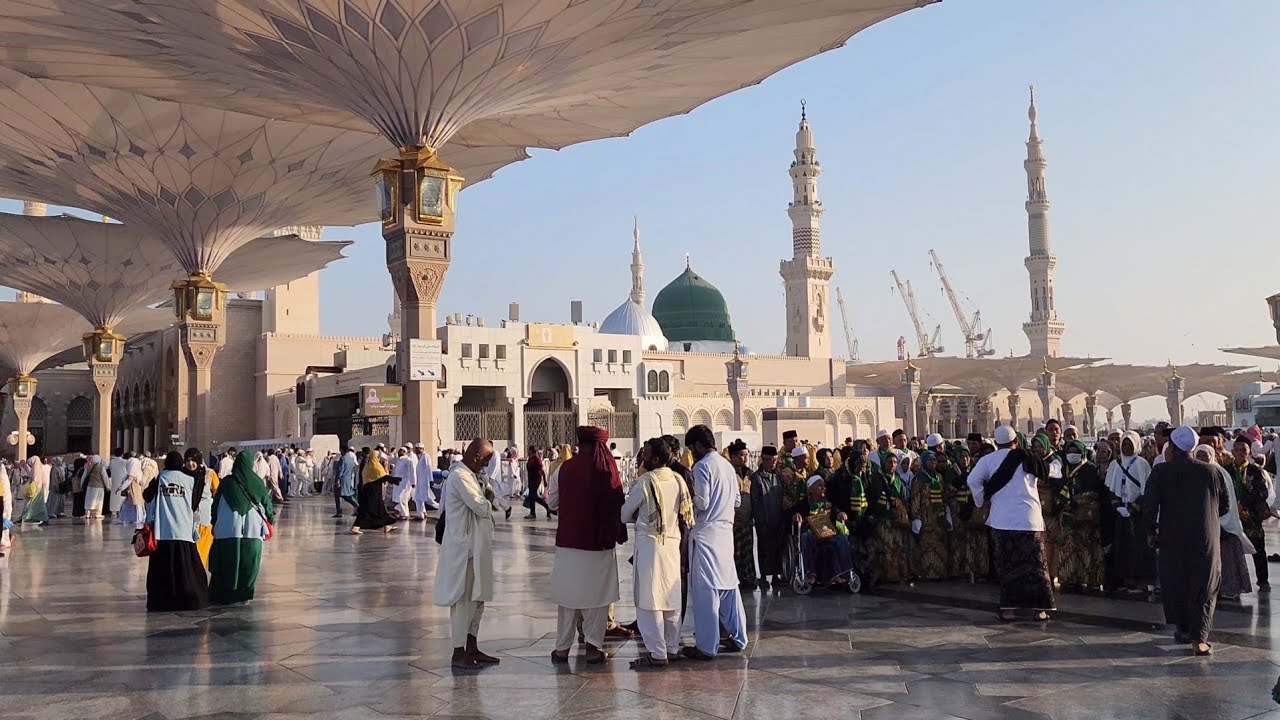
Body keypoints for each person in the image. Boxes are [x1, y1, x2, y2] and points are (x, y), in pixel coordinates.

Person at [1144, 426, 1227, 656]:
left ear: (1173, 447)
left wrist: (1151, 532)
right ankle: (1198, 638)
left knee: (1177, 583)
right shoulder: (1212, 471)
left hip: (1173, 538)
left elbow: (1149, 505)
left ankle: (1183, 629)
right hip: (1205, 538)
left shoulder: (1161, 472)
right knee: (1204, 585)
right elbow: (1225, 505)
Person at [548, 427, 626, 664]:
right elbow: (617, 506)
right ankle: (593, 646)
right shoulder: (606, 471)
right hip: (598, 544)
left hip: (569, 543)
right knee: (598, 598)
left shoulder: (562, 469)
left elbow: (552, 503)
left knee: (568, 597)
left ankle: (562, 649)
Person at [968, 425, 1055, 622]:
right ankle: (1039, 610)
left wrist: (981, 499)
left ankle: (1009, 610)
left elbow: (972, 480)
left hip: (1002, 520)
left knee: (1008, 568)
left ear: (996, 443)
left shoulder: (987, 460)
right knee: (1037, 567)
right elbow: (1052, 471)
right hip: (1029, 520)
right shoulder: (1028, 457)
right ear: (1016, 440)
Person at [622, 437, 693, 669]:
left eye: (646, 453)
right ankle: (672, 648)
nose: (642, 457)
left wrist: (640, 517)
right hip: (673, 544)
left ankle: (657, 652)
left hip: (651, 545)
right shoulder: (678, 479)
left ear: (654, 459)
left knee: (649, 599)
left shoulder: (646, 482)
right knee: (672, 599)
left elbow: (624, 514)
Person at [432, 438, 501, 670]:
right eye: (486, 461)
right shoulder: (460, 476)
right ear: (476, 457)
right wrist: (488, 498)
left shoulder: (472, 475)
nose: (486, 466)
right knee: (463, 602)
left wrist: (488, 494)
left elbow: (490, 498)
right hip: (465, 551)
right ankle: (458, 652)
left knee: (477, 600)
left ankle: (472, 646)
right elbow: (481, 506)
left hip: (476, 548)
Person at [681, 424, 748, 660]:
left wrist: (688, 491)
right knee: (729, 587)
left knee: (706, 591)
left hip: (707, 534)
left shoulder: (702, 467)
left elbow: (703, 503)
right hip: (725, 533)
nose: (691, 453)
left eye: (691, 448)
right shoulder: (728, 466)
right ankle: (739, 637)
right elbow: (738, 501)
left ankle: (706, 646)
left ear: (699, 445)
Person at [142, 451, 210, 611]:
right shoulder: (189, 480)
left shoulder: (161, 478)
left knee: (163, 570)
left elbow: (146, 495)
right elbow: (194, 504)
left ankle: (162, 601)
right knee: (187, 569)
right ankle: (190, 599)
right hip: (183, 530)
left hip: (163, 530)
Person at [208, 450, 275, 606]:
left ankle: (226, 593)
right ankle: (244, 594)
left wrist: (214, 521)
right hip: (252, 530)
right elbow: (267, 504)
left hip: (227, 529)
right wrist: (270, 518)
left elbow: (216, 504)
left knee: (227, 560)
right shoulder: (257, 482)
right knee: (249, 562)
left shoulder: (226, 482)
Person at [1195, 444, 1254, 600]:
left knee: (1226, 559)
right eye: (1198, 456)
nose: (1201, 459)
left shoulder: (1219, 472)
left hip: (1222, 523)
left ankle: (1228, 588)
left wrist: (1219, 521)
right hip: (1204, 523)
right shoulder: (1194, 473)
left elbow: (1227, 501)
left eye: (1204, 456)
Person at [1106, 431, 1155, 594]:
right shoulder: (1115, 464)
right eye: (1124, 444)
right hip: (1120, 512)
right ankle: (1124, 579)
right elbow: (1111, 489)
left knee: (1138, 546)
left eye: (1130, 444)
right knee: (1121, 546)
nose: (1126, 447)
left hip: (1137, 515)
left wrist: (1134, 507)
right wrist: (1118, 506)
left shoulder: (1142, 464)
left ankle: (1139, 580)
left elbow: (1146, 490)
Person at [1054, 439, 1105, 591]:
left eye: (1076, 451)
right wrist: (1063, 500)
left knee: (1087, 549)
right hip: (1068, 516)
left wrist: (1079, 499)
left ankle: (1089, 579)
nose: (1072, 454)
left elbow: (1096, 491)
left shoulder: (1090, 469)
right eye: (1069, 451)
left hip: (1085, 517)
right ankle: (1069, 579)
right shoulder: (1063, 468)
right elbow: (1057, 488)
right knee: (1068, 549)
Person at [1227, 436, 1272, 590]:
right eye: (1237, 450)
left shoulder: (1255, 470)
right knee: (1231, 551)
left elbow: (1262, 492)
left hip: (1252, 517)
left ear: (1249, 452)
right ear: (1232, 451)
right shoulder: (1226, 470)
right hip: (1231, 517)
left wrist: (1244, 503)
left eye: (1243, 450)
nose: (1240, 453)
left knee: (1258, 549)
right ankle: (1234, 583)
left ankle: (1263, 581)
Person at [793, 477, 855, 587]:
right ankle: (811, 574)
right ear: (811, 489)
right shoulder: (804, 504)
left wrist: (840, 514)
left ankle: (844, 572)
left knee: (842, 539)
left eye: (824, 486)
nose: (823, 489)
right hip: (813, 536)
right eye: (820, 486)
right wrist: (796, 515)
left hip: (827, 534)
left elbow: (837, 512)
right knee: (805, 537)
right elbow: (791, 513)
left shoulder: (828, 503)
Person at [908, 450, 949, 580]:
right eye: (930, 460)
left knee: (939, 544)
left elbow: (943, 496)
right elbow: (915, 498)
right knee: (926, 545)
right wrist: (916, 516)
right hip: (925, 516)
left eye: (934, 460)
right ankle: (925, 573)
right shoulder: (919, 478)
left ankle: (939, 572)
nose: (933, 463)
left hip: (938, 516)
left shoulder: (939, 478)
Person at [750, 446, 786, 589]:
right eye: (771, 460)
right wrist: (760, 520)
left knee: (777, 548)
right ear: (764, 460)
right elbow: (756, 501)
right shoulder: (757, 477)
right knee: (764, 548)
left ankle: (776, 575)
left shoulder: (778, 476)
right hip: (764, 520)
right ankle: (764, 576)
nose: (774, 463)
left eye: (775, 460)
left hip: (777, 517)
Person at [728, 440, 756, 592]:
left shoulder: (749, 474)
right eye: (741, 455)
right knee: (735, 552)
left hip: (747, 519)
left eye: (746, 455)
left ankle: (748, 578)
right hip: (733, 521)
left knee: (747, 551)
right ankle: (736, 579)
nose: (745, 458)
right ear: (733, 456)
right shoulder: (729, 473)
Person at [183, 448, 219, 568]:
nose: (190, 464)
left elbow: (217, 494)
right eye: (188, 461)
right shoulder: (182, 474)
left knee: (201, 553)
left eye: (193, 460)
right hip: (186, 520)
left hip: (205, 520)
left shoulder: (209, 474)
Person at [351, 447, 398, 535]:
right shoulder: (375, 465)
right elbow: (382, 476)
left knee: (380, 509)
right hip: (373, 492)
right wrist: (394, 479)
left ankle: (386, 526)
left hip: (370, 490)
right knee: (366, 510)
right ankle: (355, 527)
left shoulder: (368, 465)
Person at [523, 445, 554, 519]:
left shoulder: (536, 459)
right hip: (531, 480)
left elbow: (541, 469)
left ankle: (545, 507)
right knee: (532, 496)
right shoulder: (530, 459)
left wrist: (545, 480)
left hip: (535, 479)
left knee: (533, 496)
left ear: (531, 451)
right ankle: (533, 512)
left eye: (529, 450)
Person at [18, 455, 50, 526]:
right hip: (38, 489)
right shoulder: (39, 468)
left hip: (35, 489)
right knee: (38, 504)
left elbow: (33, 478)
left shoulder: (36, 469)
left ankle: (23, 518)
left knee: (29, 503)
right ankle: (24, 517)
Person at [410, 442, 438, 519]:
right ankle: (421, 514)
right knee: (418, 498)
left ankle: (442, 509)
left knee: (428, 499)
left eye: (419, 448)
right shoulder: (415, 457)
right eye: (416, 448)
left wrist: (431, 479)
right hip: (418, 481)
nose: (417, 450)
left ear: (422, 449)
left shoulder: (426, 456)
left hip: (424, 481)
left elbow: (429, 468)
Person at [391, 446, 416, 519]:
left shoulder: (408, 461)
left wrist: (413, 482)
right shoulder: (399, 460)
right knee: (399, 498)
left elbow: (412, 472)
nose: (399, 452)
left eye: (401, 451)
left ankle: (405, 514)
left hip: (405, 482)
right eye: (399, 451)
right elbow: (390, 459)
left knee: (402, 497)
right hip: (398, 482)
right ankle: (402, 513)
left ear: (405, 452)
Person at [333, 446, 358, 518]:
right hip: (348, 478)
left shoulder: (343, 459)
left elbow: (340, 470)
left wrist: (337, 479)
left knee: (339, 495)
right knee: (347, 494)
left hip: (342, 479)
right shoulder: (351, 458)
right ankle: (357, 507)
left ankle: (339, 512)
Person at [83, 455, 109, 520]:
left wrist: (81, 484)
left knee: (88, 500)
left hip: (89, 486)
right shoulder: (101, 467)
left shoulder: (88, 466)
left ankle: (88, 513)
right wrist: (108, 486)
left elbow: (84, 476)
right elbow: (105, 478)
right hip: (99, 487)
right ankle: (97, 514)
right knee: (98, 500)